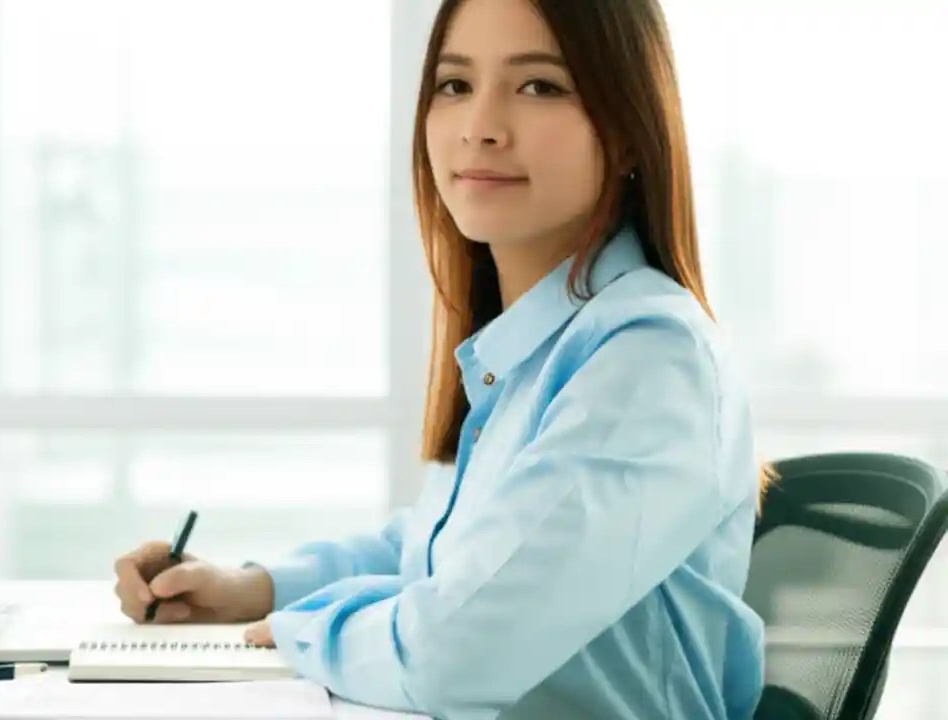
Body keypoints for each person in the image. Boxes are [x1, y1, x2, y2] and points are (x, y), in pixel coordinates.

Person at [113, 0, 768, 717]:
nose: (479, 126)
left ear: (630, 132)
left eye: (539, 86)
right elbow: (444, 548)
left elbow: (450, 653)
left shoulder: (649, 359)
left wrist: (298, 632)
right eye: (454, 85)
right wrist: (255, 588)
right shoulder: (534, 349)